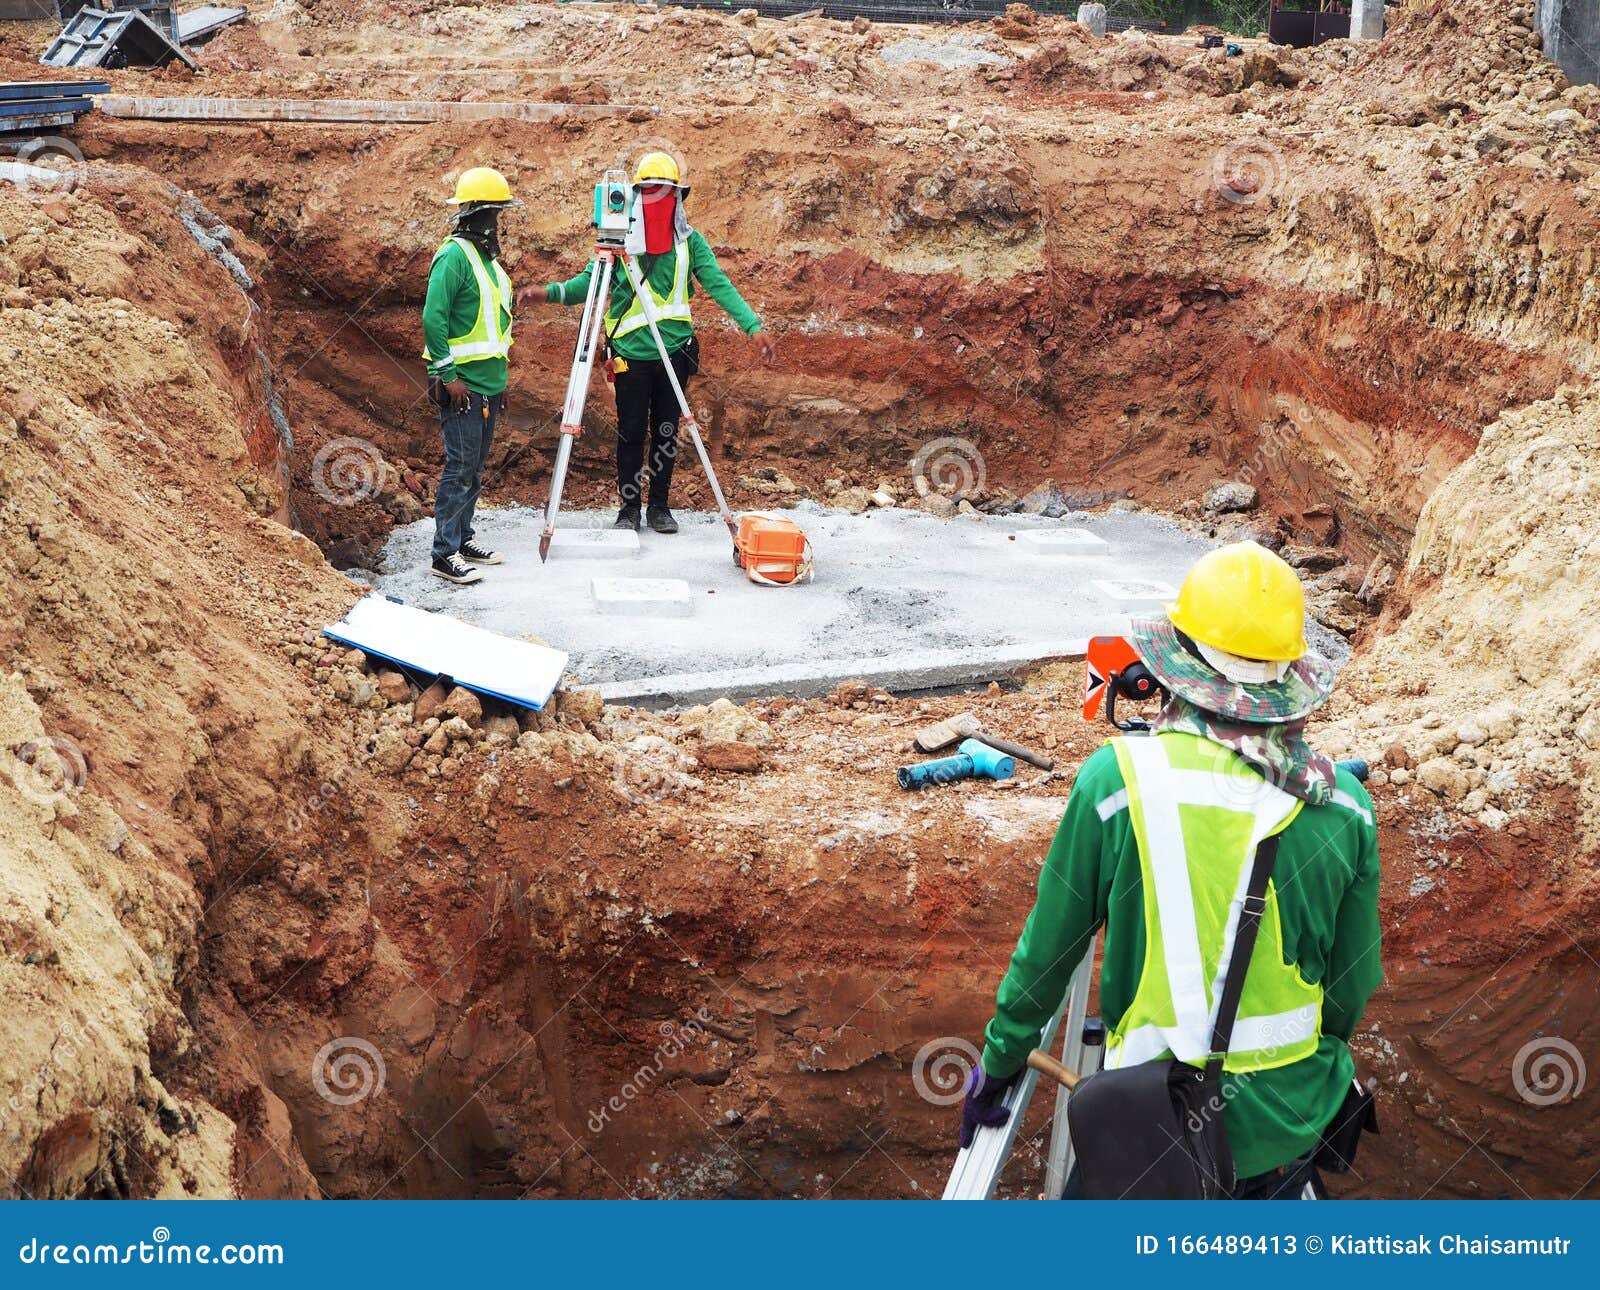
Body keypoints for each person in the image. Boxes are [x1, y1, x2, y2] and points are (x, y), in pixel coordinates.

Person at [959, 540, 1382, 1199]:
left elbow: (1050, 953)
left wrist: (1002, 1058)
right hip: (1290, 1122)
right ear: (1289, 676)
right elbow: (1353, 985)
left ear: (1176, 664)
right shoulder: (1346, 806)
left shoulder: (1117, 783)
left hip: (1154, 1127)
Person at [529, 151, 774, 535]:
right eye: (649, 192)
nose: (658, 200)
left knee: (665, 430)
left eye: (665, 193)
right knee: (630, 432)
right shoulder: (619, 241)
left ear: (677, 198)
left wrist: (752, 325)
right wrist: (549, 293)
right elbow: (585, 286)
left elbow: (718, 284)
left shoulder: (690, 243)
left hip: (675, 353)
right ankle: (629, 510)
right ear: (635, 196)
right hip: (631, 355)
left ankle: (659, 507)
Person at [422, 166, 520, 585]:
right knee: (460, 467)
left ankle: (462, 539)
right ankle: (444, 553)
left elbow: (494, 326)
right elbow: (433, 318)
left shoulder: (489, 265)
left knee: (476, 468)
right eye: (493, 213)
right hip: (462, 384)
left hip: (488, 384)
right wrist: (446, 374)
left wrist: (499, 379)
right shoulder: (453, 257)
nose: (496, 222)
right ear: (473, 213)